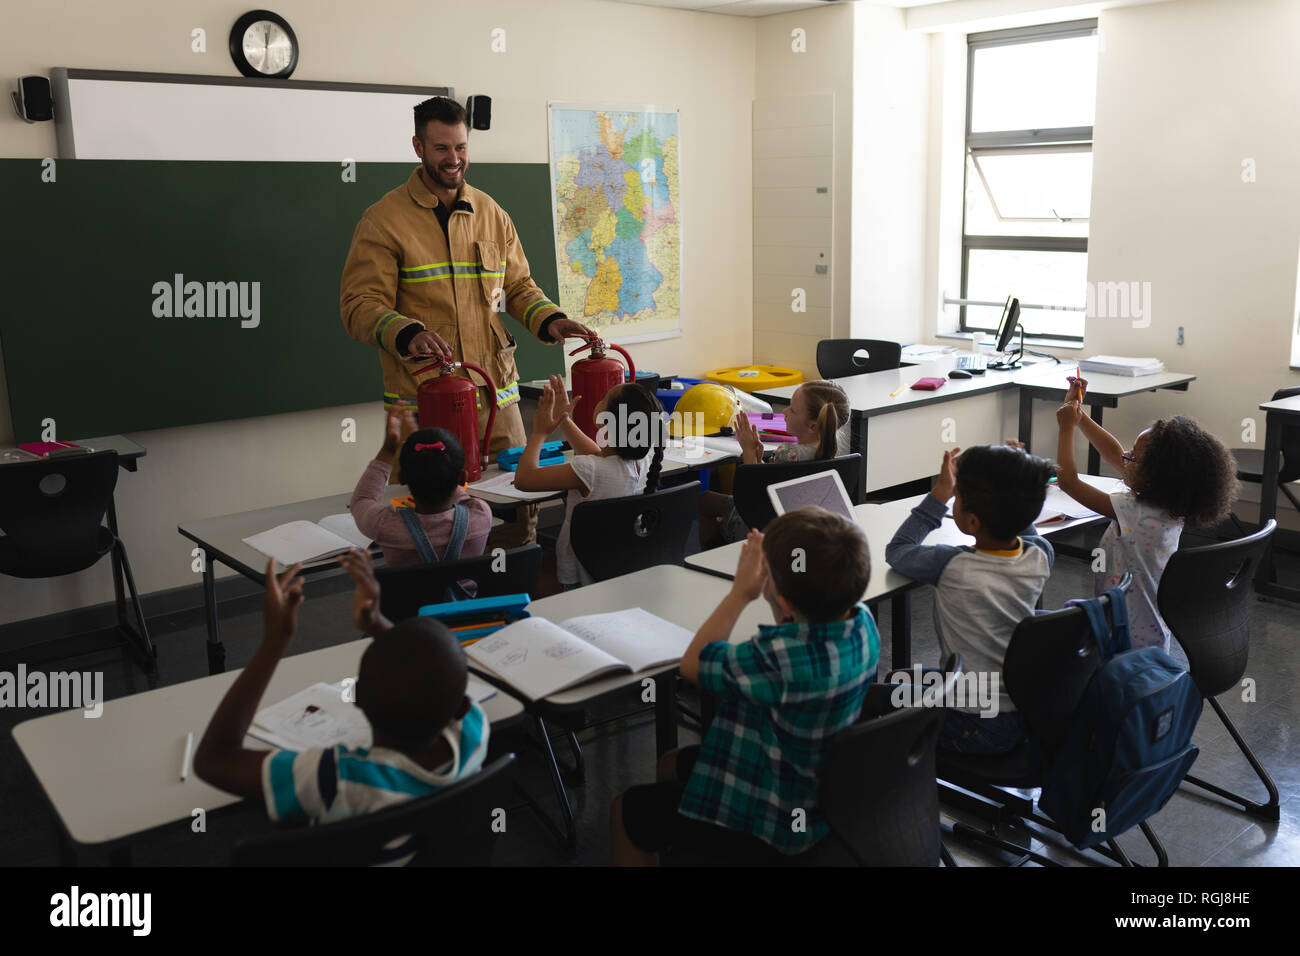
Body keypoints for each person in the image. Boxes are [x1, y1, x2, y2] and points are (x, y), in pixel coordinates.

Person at [340, 95, 596, 549]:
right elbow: (359, 305)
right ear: (418, 147)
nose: (454, 159)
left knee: (520, 522)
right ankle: (441, 615)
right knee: (431, 533)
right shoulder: (383, 221)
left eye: (460, 147)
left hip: (501, 404)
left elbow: (518, 288)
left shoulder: (492, 213)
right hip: (428, 408)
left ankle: (513, 611)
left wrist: (551, 320)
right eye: (442, 148)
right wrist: (408, 331)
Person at [610, 507, 878, 865]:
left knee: (628, 811)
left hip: (773, 818)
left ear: (782, 599)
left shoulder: (776, 658)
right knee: (670, 764)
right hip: (821, 786)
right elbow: (799, 621)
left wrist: (741, 593)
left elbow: (693, 664)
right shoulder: (863, 623)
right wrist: (779, 585)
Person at [193, 550, 488, 856]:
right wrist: (374, 622)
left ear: (356, 699)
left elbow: (213, 759)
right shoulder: (473, 731)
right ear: (461, 706)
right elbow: (432, 671)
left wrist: (273, 643)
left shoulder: (336, 778)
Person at [884, 445, 1055, 753]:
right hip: (1018, 707)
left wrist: (938, 495)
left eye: (957, 498)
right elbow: (1026, 530)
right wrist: (1015, 475)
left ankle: (894, 781)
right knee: (900, 677)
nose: (954, 501)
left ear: (973, 522)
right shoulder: (1040, 555)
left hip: (971, 722)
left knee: (878, 697)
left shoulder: (952, 565)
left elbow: (898, 551)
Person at [1056, 376, 1237, 650]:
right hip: (1149, 633)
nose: (1125, 456)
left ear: (1155, 474)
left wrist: (1066, 428)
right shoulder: (1168, 505)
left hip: (1125, 636)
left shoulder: (1136, 514)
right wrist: (1078, 415)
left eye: (1133, 456)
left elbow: (1068, 481)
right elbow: (1115, 454)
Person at [513, 375, 666, 589]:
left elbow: (523, 479)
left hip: (582, 568)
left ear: (606, 419)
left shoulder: (590, 470)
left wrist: (539, 433)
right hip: (621, 563)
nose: (600, 399)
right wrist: (563, 419)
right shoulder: (646, 457)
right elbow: (598, 456)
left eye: (604, 397)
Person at [697, 380, 850, 549]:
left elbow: (753, 496)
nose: (784, 412)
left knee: (704, 501)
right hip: (805, 526)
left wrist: (748, 451)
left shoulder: (787, 453)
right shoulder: (830, 453)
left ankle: (711, 557)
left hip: (766, 527)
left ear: (812, 426)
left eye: (792, 409)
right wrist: (760, 462)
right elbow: (775, 483)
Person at [350, 404, 492, 570]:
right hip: (468, 597)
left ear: (402, 478)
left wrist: (388, 450)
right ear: (462, 477)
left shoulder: (386, 525)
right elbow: (455, 485)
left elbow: (361, 500)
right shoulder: (480, 515)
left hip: (409, 598)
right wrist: (433, 464)